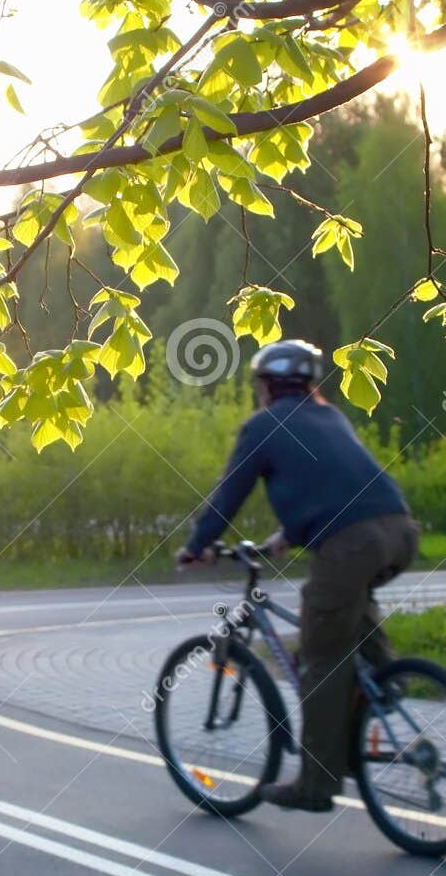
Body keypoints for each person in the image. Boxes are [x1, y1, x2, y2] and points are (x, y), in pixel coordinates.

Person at [175, 339, 418, 812]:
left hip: (351, 543)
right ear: (308, 384)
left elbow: (230, 494)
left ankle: (315, 785)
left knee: (319, 657)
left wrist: (197, 547)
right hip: (400, 531)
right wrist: (287, 535)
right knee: (348, 618)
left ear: (266, 384)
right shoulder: (331, 418)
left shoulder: (263, 427)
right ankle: (382, 687)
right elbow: (333, 483)